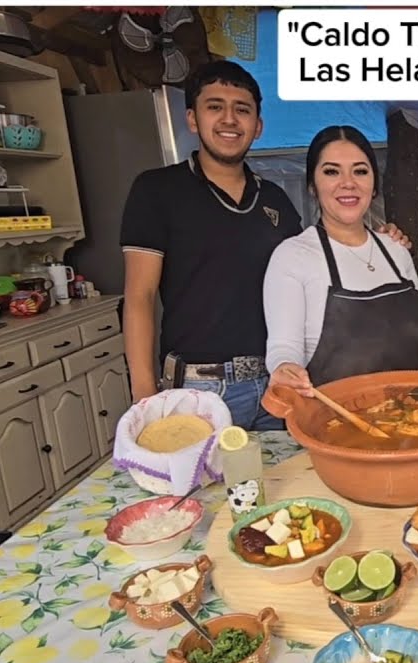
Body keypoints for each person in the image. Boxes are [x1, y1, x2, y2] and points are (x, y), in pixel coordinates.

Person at [121, 61, 304, 430]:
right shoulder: (157, 190)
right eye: (214, 106)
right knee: (200, 489)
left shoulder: (274, 199)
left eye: (242, 109)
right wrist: (144, 396)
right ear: (192, 119)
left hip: (276, 385)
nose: (229, 119)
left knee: (283, 485)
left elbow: (306, 276)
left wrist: (381, 238)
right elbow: (139, 296)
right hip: (199, 390)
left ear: (258, 126)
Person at [264, 126, 418, 395]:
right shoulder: (293, 255)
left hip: (414, 419)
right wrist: (284, 368)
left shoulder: (396, 250)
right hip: (333, 425)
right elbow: (284, 348)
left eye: (360, 171)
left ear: (375, 184)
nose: (348, 182)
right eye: (331, 171)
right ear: (312, 186)